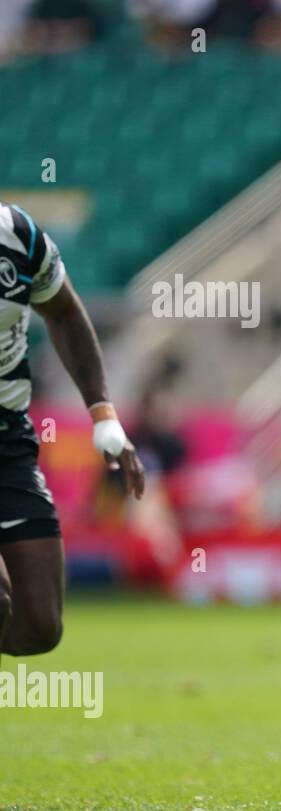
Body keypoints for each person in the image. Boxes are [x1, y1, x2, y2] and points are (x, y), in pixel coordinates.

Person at [0, 201, 146, 658]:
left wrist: (103, 414)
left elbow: (63, 312)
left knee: (40, 625)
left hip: (8, 442)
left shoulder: (18, 234)